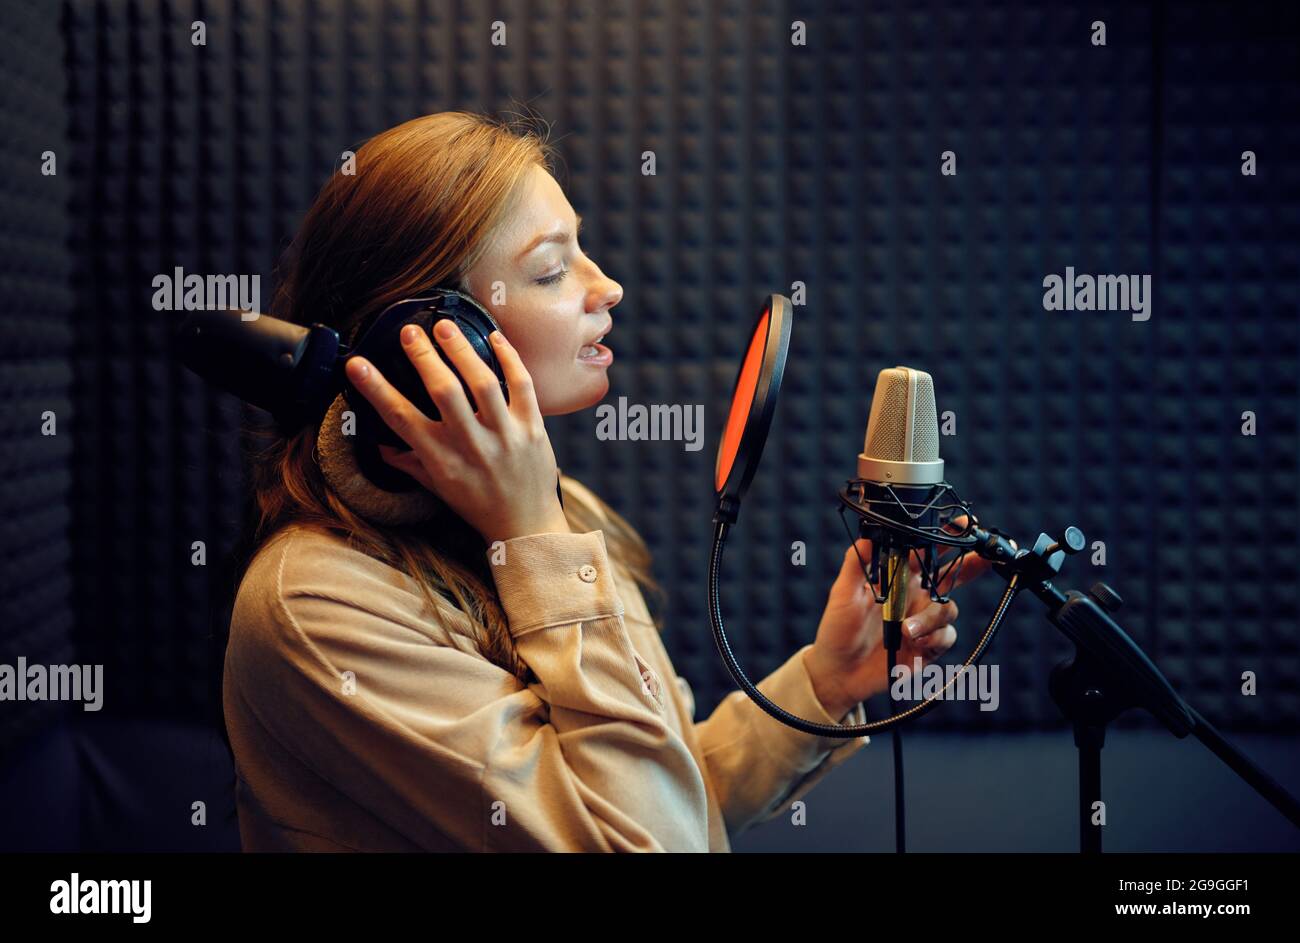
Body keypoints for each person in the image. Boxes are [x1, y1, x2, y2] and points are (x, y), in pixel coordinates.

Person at [222, 110, 988, 852]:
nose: (607, 286)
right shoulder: (317, 604)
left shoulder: (557, 511)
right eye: (551, 269)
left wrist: (824, 679)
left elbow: (662, 795)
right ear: (419, 351)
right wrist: (535, 540)